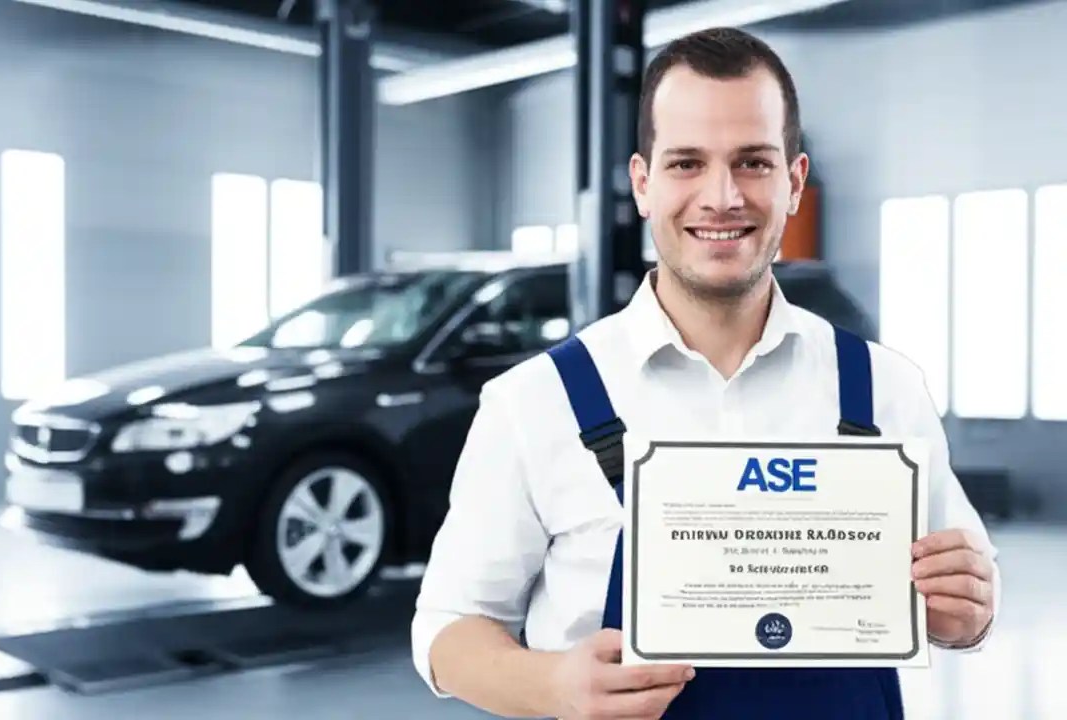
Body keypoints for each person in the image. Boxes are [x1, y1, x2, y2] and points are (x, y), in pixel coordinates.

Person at [410, 26, 999, 720]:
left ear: (794, 182)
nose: (722, 196)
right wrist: (553, 685)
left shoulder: (885, 390)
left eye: (753, 162)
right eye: (687, 163)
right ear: (643, 183)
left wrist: (967, 610)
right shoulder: (535, 401)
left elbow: (965, 596)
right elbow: (448, 629)